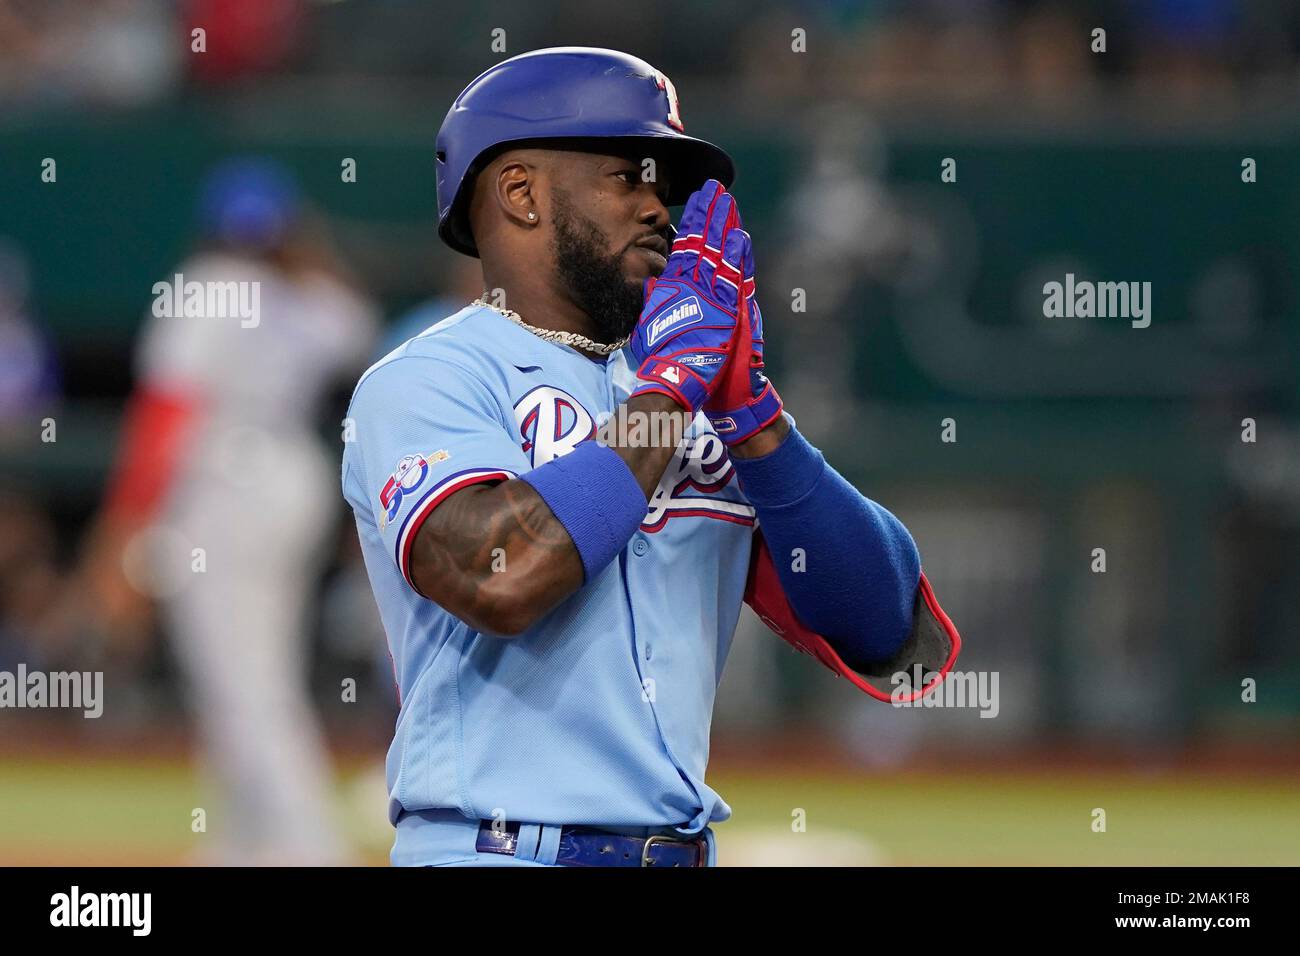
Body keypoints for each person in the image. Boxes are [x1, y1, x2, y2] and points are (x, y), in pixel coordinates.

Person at [341, 47, 960, 868]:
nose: (660, 208)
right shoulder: (430, 377)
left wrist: (755, 418)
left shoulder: (694, 394)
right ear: (520, 192)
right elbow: (501, 572)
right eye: (628, 176)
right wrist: (671, 389)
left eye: (664, 185)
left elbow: (891, 637)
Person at [83, 158, 378, 864]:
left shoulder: (205, 286)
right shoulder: (314, 295)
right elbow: (358, 330)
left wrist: (123, 528)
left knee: (243, 679)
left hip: (222, 487)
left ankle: (307, 847)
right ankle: (242, 843)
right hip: (291, 480)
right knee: (249, 672)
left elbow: (165, 414)